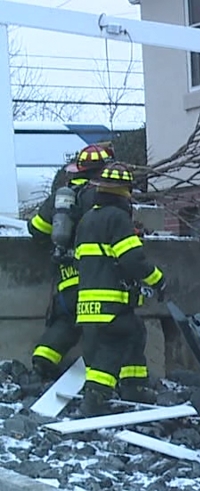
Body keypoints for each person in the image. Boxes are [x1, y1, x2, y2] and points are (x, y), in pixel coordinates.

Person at [73, 162, 167, 416]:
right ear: (125, 190)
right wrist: (157, 279)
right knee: (114, 344)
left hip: (87, 304)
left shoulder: (87, 219)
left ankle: (133, 386)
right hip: (110, 301)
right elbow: (131, 259)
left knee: (135, 332)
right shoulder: (117, 217)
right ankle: (94, 397)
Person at [27, 144, 114, 380]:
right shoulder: (105, 197)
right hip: (98, 276)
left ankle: (43, 360)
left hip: (67, 275)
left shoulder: (61, 196)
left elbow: (36, 229)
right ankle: (105, 380)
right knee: (110, 324)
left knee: (67, 319)